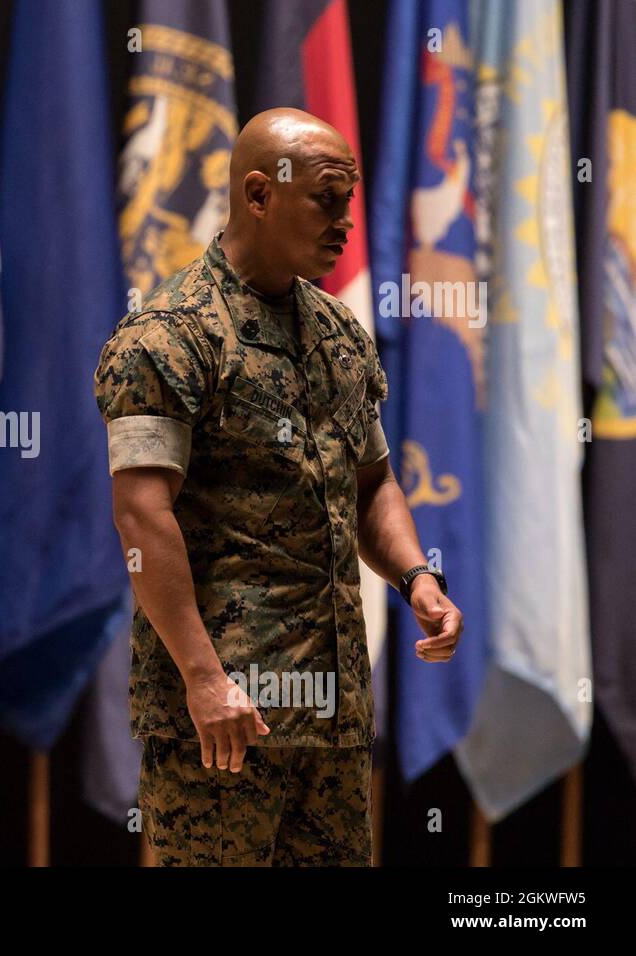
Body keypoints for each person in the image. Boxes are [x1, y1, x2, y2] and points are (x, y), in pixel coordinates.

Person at [94, 108, 465, 866]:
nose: (345, 224)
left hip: (330, 710)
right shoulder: (170, 334)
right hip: (227, 716)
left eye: (350, 204)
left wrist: (415, 576)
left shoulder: (339, 331)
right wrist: (204, 680)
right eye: (327, 199)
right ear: (258, 194)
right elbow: (142, 515)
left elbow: (374, 482)